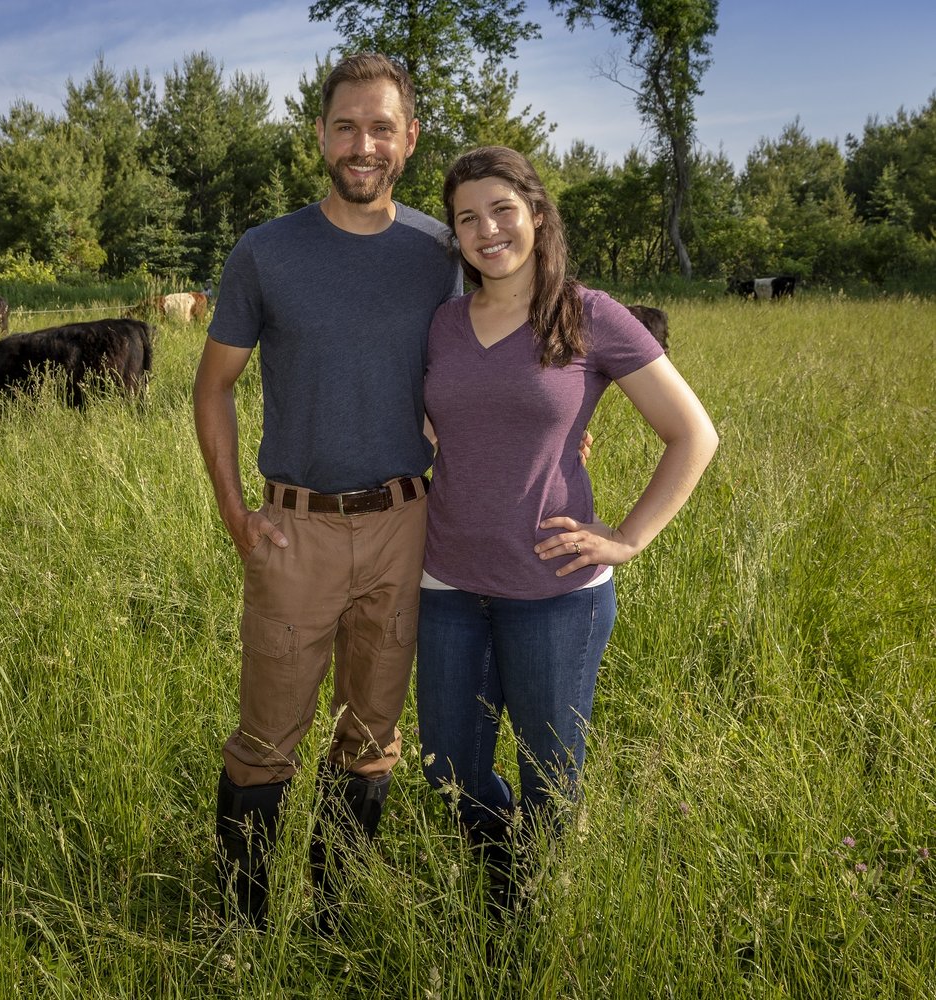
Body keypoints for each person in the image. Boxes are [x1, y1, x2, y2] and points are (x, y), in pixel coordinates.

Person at [192, 53, 464, 931]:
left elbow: (487, 361)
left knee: (373, 737)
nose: (363, 144)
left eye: (382, 127)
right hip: (294, 528)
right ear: (320, 135)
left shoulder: (441, 252)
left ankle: (335, 913)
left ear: (410, 140)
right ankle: (248, 920)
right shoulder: (266, 253)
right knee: (267, 739)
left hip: (404, 524)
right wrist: (237, 513)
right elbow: (213, 388)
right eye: (346, 125)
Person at [414, 146, 719, 913]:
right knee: (448, 766)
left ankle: (541, 907)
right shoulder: (443, 325)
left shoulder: (589, 314)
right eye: (467, 219)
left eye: (502, 211)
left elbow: (693, 435)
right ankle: (495, 882)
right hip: (446, 581)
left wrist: (629, 536)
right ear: (455, 235)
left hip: (555, 591)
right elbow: (432, 426)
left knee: (551, 771)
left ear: (537, 214)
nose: (487, 231)